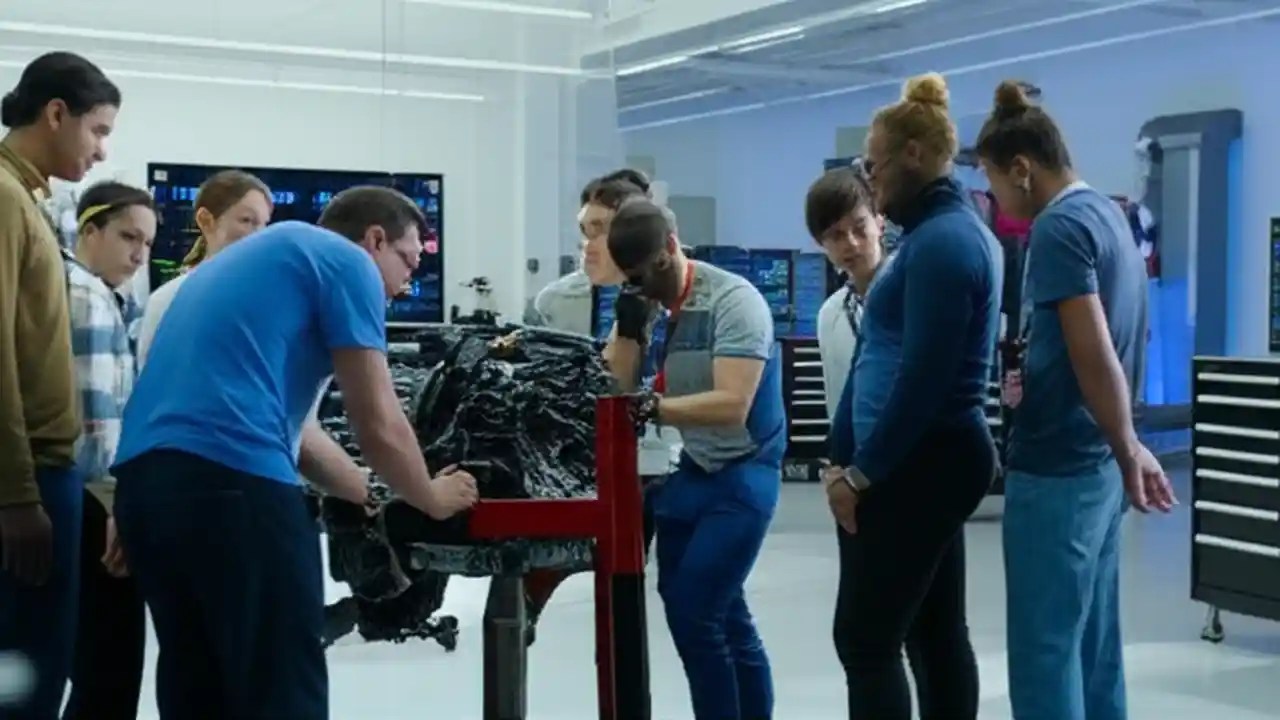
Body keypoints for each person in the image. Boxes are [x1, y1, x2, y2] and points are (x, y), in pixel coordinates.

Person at [109, 186, 480, 719]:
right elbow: (375, 420)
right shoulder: (347, 262)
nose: (407, 283)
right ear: (375, 239)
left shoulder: (250, 266)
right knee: (282, 688)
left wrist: (372, 493)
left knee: (199, 685)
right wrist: (430, 495)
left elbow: (301, 438)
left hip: (149, 495)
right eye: (408, 259)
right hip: (235, 490)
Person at [974, 80, 1176, 720]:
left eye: (996, 185)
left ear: (1022, 170)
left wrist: (1126, 447)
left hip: (1060, 464)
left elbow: (1094, 352)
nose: (997, 202)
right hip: (1094, 469)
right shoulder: (1110, 217)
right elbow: (1124, 343)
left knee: (1044, 651)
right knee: (1093, 643)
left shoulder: (1058, 228)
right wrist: (1126, 446)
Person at [823, 73, 1001, 720]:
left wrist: (863, 473)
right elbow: (876, 352)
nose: (871, 181)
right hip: (916, 462)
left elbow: (924, 382)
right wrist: (835, 451)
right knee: (931, 629)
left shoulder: (947, 246)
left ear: (915, 157)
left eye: (875, 166)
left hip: (923, 463)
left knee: (866, 639)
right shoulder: (928, 241)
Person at [606, 198, 783, 720]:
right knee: (718, 610)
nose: (649, 284)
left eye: (654, 271)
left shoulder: (734, 301)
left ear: (672, 244)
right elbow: (618, 386)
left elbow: (732, 405)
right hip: (695, 470)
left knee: (696, 612)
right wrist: (631, 328)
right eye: (635, 279)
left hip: (744, 471)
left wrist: (652, 409)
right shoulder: (650, 305)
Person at [0, 51, 120, 720]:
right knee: (29, 674)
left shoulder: (27, 200)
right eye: (98, 130)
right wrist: (16, 495)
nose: (101, 151)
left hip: (47, 475)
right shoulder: (4, 197)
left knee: (44, 664)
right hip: (30, 480)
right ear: (55, 114)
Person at [59, 182, 156, 720]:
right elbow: (96, 424)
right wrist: (118, 504)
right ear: (88, 230)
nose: (139, 254)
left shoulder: (112, 298)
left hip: (81, 499)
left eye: (146, 242)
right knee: (110, 674)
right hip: (96, 502)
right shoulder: (88, 297)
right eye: (128, 236)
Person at [135, 169, 273, 367]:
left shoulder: (269, 300)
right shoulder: (170, 298)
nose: (259, 235)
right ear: (206, 220)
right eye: (247, 221)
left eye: (264, 224)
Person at [807, 166, 886, 420]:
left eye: (860, 228)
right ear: (822, 245)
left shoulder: (914, 295)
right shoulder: (831, 315)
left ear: (879, 223)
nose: (851, 243)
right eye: (836, 236)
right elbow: (838, 401)